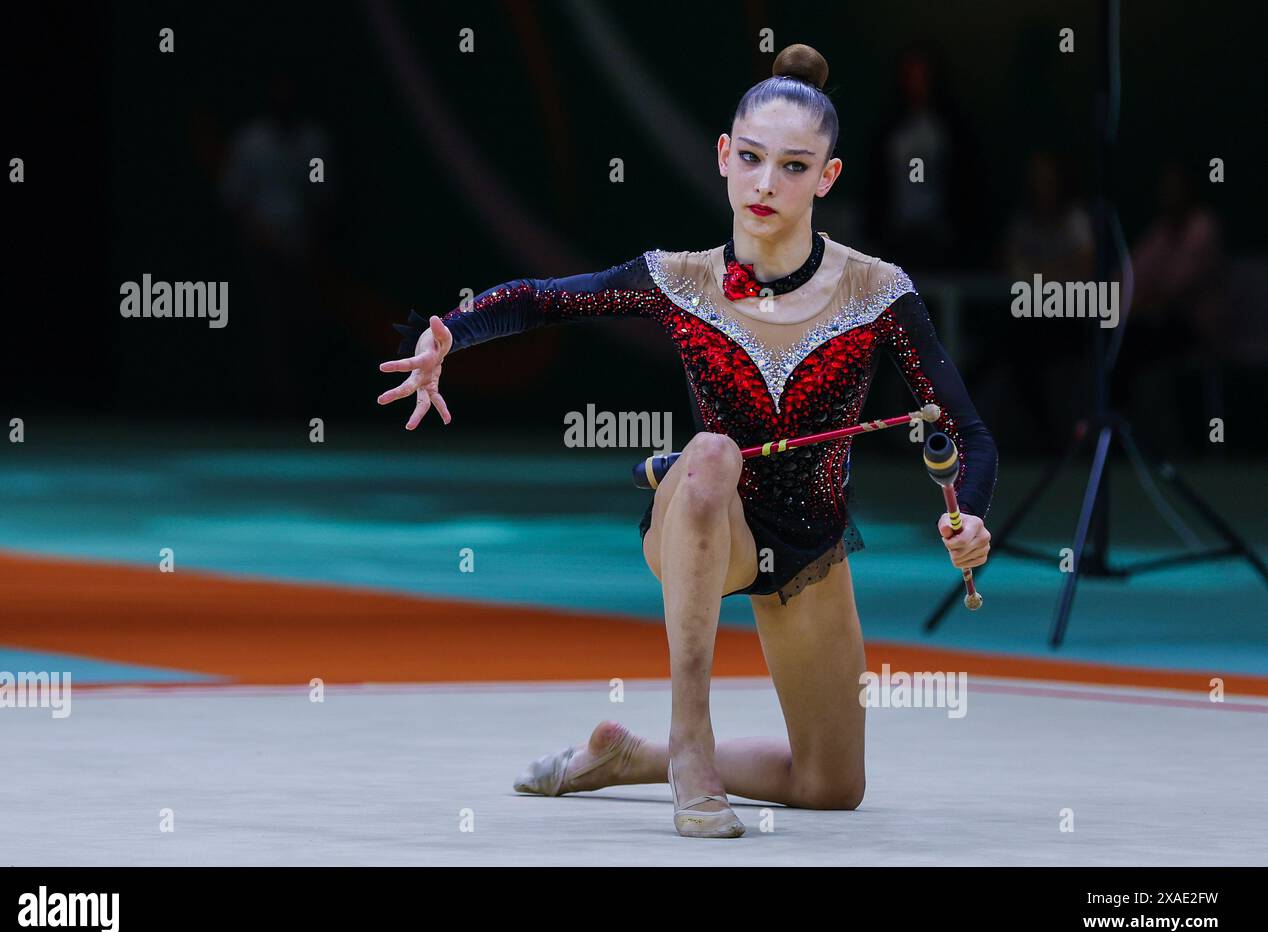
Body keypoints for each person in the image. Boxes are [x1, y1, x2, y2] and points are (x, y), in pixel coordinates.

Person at [377, 44, 997, 839]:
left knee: (832, 787)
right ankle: (691, 745)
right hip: (700, 519)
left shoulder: (877, 292)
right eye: (751, 158)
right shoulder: (680, 279)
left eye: (794, 167)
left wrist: (970, 514)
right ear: (723, 158)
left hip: (808, 545)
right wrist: (450, 338)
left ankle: (632, 755)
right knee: (711, 453)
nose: (767, 184)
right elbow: (541, 300)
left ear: (828, 178)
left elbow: (966, 431)